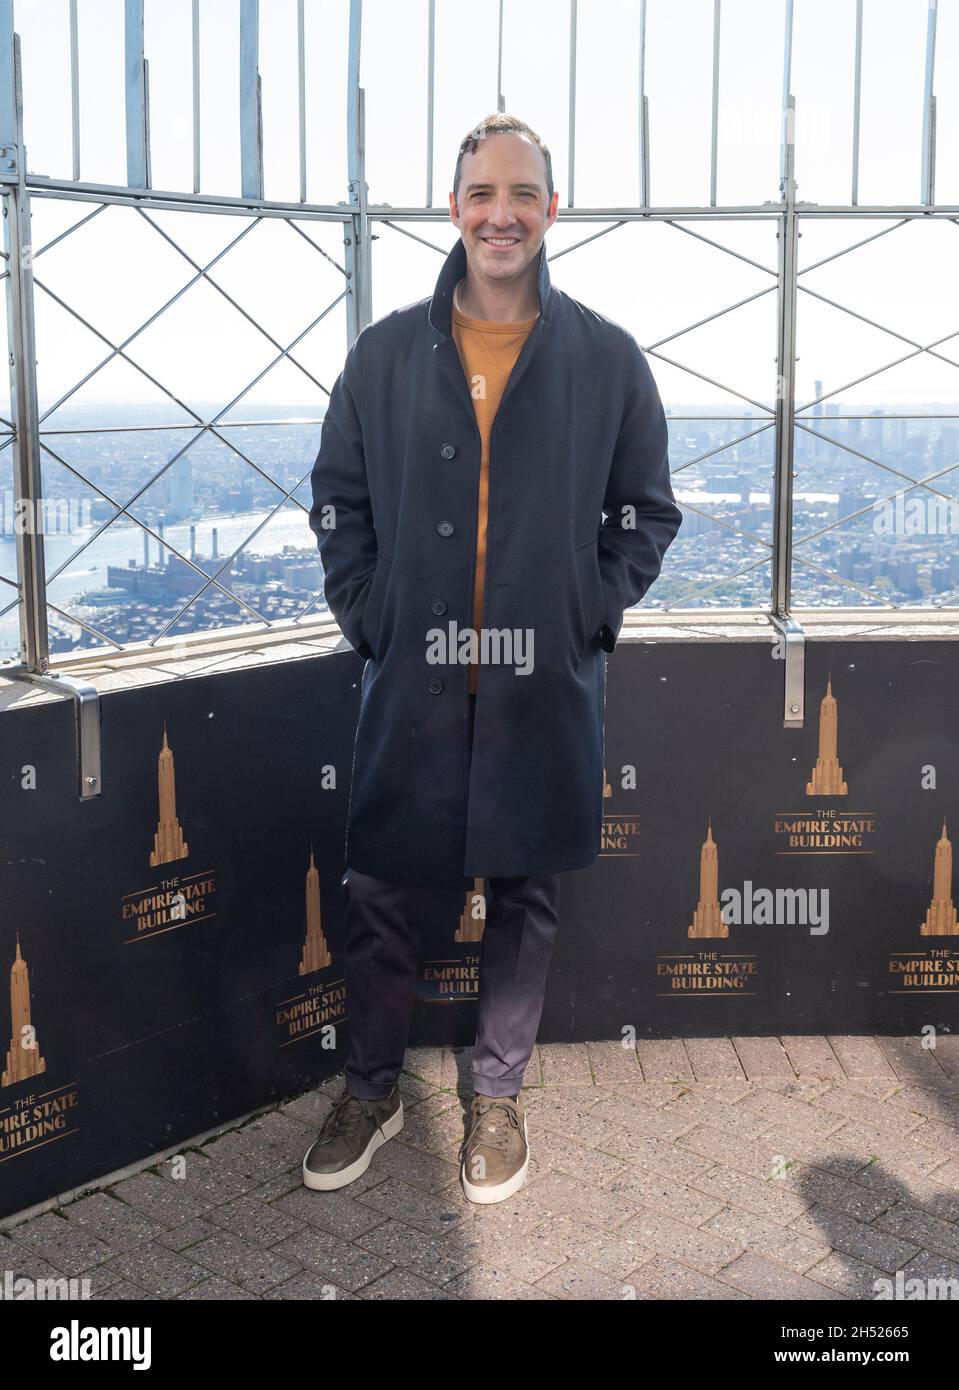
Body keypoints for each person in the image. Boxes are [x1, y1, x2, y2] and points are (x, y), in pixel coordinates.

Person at [305, 114, 682, 1205]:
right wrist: (370, 614)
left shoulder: (605, 358)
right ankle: (371, 1089)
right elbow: (339, 501)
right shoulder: (382, 354)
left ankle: (497, 1095)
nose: (499, 212)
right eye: (480, 193)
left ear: (550, 209)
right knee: (380, 892)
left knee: (523, 894)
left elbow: (645, 514)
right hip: (410, 680)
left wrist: (579, 613)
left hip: (537, 683)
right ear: (455, 206)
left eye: (521, 193)